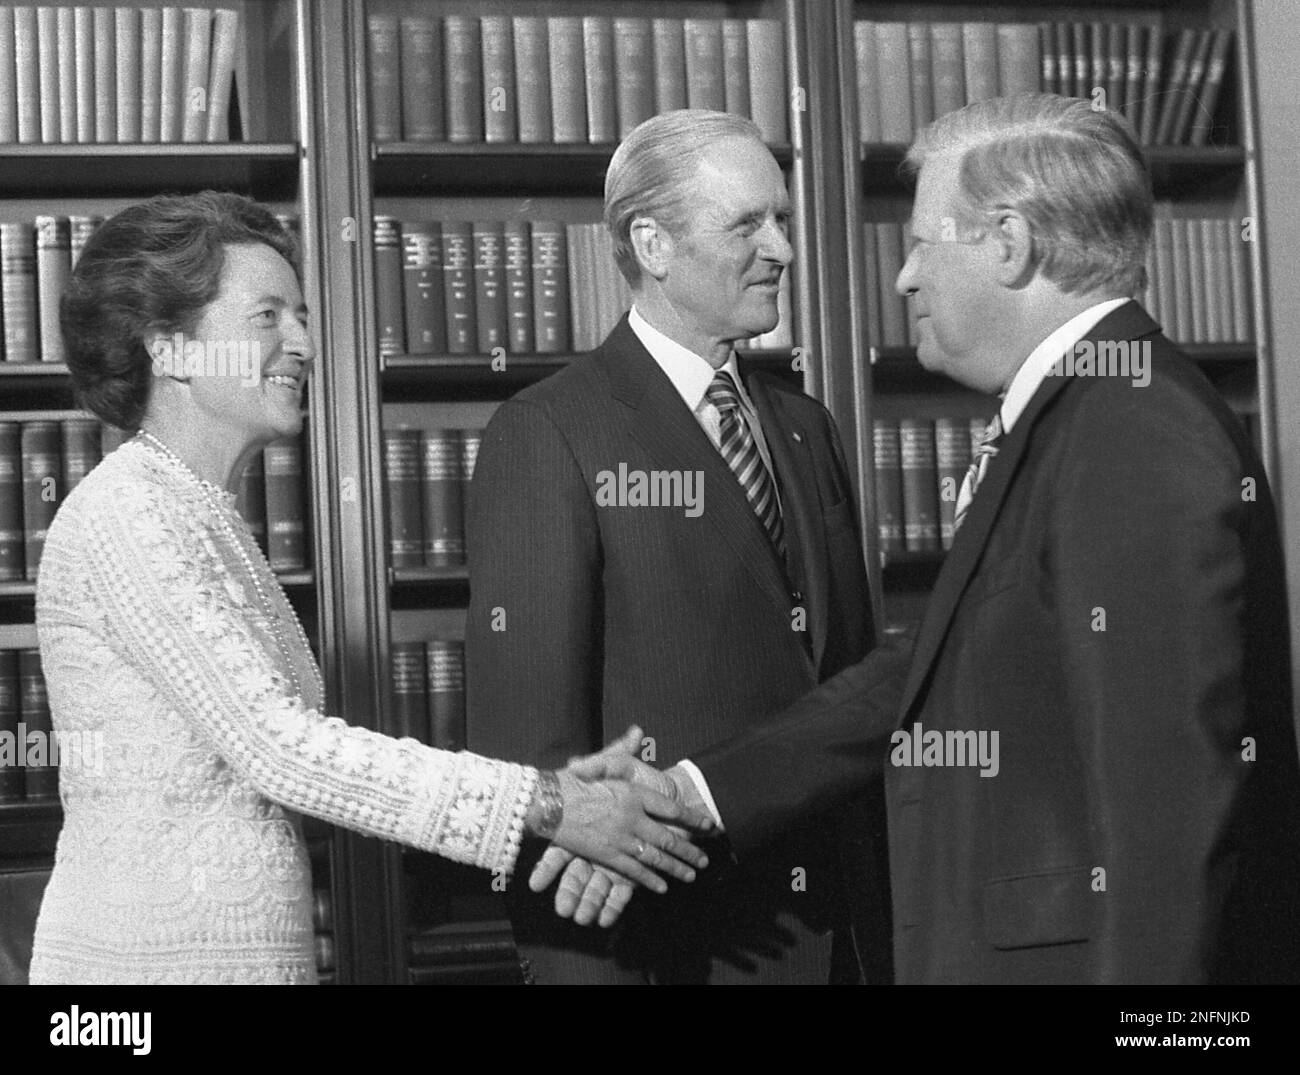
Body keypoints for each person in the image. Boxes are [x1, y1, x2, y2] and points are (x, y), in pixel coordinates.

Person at [545, 93, 1300, 984]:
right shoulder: (1086, 416)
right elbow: (922, 674)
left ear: (1010, 245)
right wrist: (691, 791)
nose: (903, 279)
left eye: (921, 244)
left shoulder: (1130, 429)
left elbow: (1172, 807)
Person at [28, 191, 710, 985]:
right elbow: (280, 750)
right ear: (171, 351)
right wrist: (546, 801)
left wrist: (549, 795)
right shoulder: (127, 510)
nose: (304, 343)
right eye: (268, 317)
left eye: (303, 315)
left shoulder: (198, 511)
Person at [466, 109, 887, 984]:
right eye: (749, 225)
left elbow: (844, 677)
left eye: (783, 220)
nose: (783, 249)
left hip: (837, 938)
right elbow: (532, 756)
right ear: (651, 244)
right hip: (671, 949)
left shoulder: (808, 428)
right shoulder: (549, 432)